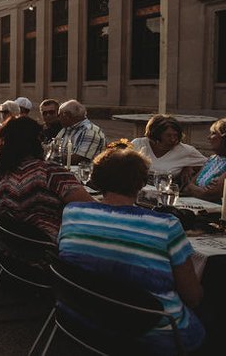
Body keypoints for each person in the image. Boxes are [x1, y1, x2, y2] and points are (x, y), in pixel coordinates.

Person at [58, 142, 205, 354]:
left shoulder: (72, 212)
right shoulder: (166, 226)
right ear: (142, 183)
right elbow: (193, 297)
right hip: (151, 333)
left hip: (80, 315)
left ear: (96, 180)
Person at [0, 117, 94, 240]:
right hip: (49, 248)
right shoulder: (50, 172)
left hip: (10, 244)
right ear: (36, 140)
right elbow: (92, 208)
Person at [130, 115, 206, 182]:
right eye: (168, 135)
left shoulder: (186, 151)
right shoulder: (138, 144)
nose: (173, 139)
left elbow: (209, 165)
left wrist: (190, 167)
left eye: (175, 135)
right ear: (156, 135)